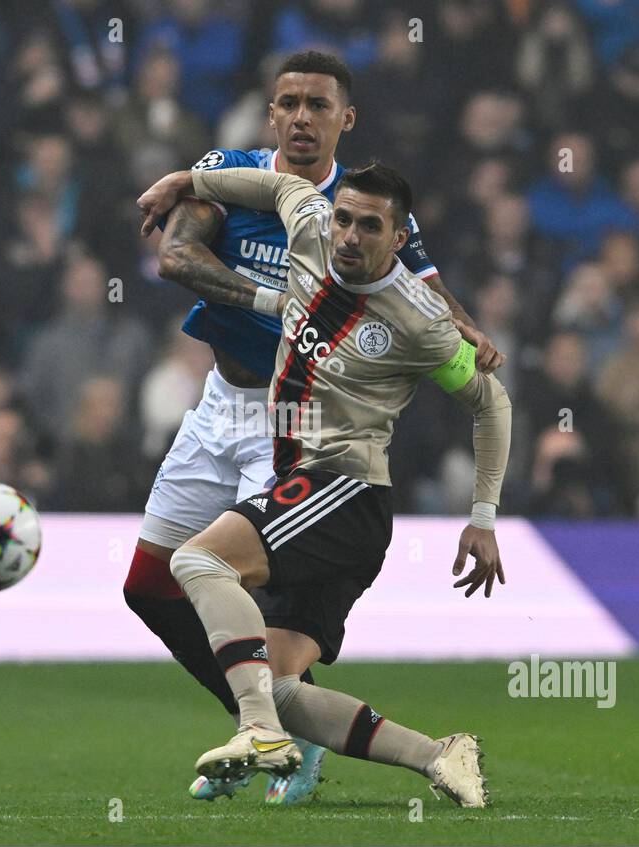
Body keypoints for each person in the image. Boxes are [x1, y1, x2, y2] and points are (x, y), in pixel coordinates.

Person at [124, 50, 503, 806]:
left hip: (302, 437)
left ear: (345, 119)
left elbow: (435, 304)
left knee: (219, 572)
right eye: (287, 103)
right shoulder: (284, 198)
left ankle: (263, 732)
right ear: (271, 113)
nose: (301, 117)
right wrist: (189, 182)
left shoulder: (368, 216)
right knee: (151, 586)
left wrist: (468, 333)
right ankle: (285, 728)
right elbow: (175, 254)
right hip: (219, 404)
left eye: (317, 106)